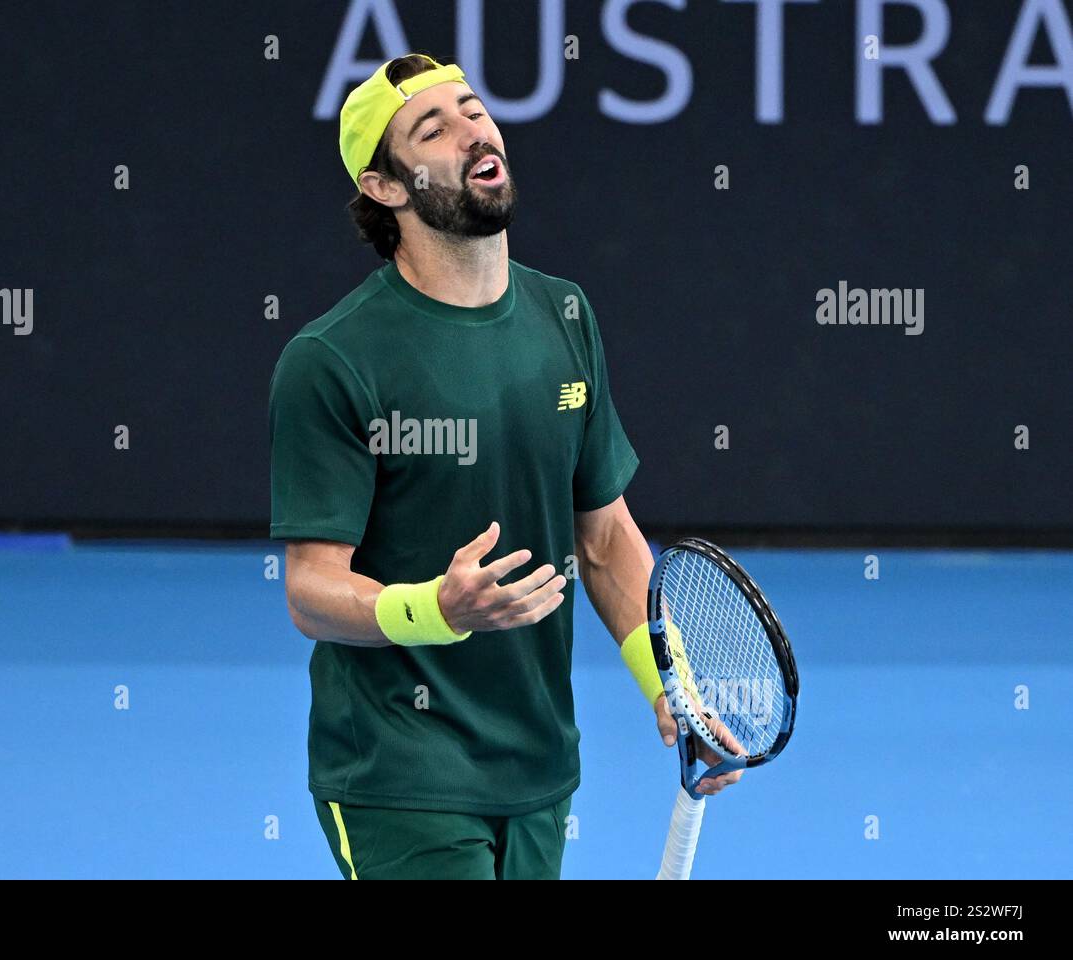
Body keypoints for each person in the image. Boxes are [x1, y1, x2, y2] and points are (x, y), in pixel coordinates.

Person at [269, 53, 742, 880]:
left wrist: (670, 686)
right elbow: (311, 588)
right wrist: (435, 608)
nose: (472, 130)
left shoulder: (565, 315)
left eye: (473, 109)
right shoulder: (331, 360)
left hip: (538, 763)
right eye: (432, 128)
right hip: (395, 768)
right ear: (385, 188)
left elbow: (604, 538)